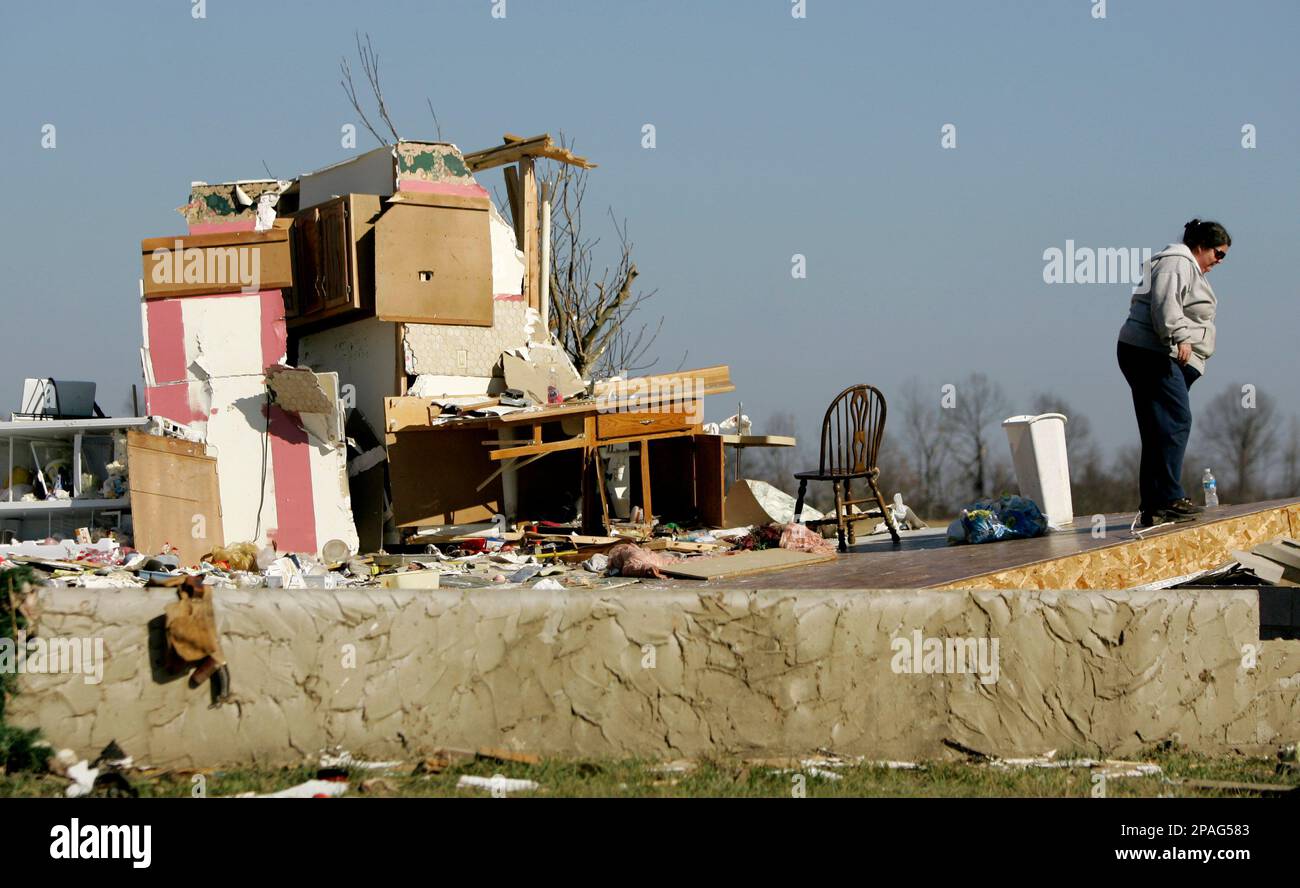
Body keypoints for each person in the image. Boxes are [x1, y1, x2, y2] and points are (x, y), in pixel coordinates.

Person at [1117, 219, 1230, 526]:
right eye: (1218, 254)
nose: (1219, 262)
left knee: (1158, 428)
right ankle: (1168, 498)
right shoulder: (1176, 262)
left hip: (1150, 353)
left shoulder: (1182, 265)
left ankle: (1154, 505)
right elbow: (1165, 305)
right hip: (1153, 353)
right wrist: (1179, 337)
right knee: (1176, 420)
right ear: (1201, 247)